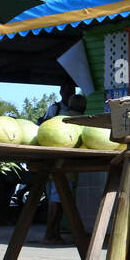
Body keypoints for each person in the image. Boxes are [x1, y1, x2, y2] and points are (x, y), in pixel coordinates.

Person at [42, 87, 85, 244]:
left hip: (55, 164)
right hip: (66, 168)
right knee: (57, 200)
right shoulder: (81, 120)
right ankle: (49, 234)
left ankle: (54, 233)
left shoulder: (59, 118)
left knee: (58, 200)